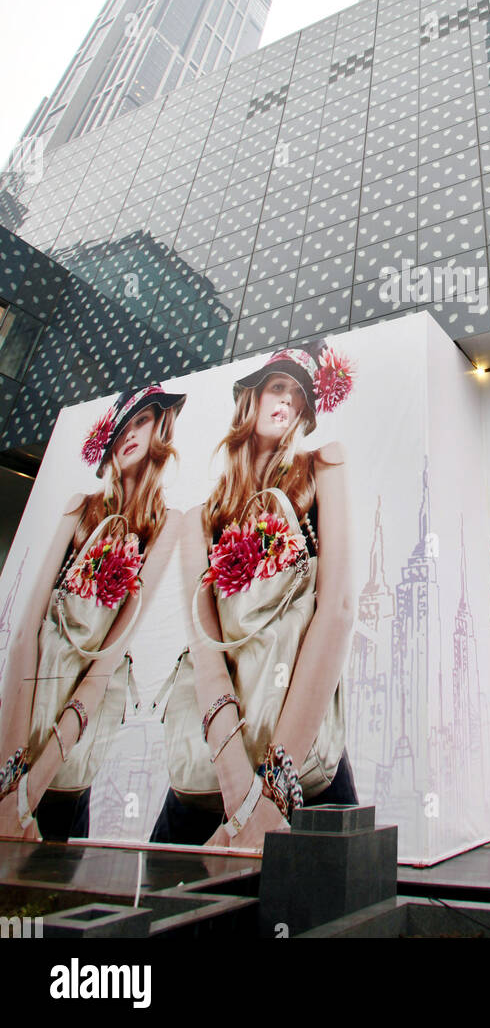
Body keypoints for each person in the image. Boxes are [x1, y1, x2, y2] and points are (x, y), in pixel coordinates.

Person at [150, 340, 357, 851]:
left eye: (300, 398)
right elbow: (205, 652)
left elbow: (336, 614)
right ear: (253, 398)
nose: (287, 402)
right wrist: (240, 788)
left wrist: (270, 793)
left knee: (335, 912)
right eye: (278, 387)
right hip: (219, 756)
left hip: (302, 750)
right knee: (163, 904)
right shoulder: (201, 519)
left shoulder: (321, 469)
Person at [0, 384, 184, 841]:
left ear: (160, 428)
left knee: (54, 872)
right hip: (25, 724)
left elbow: (104, 666)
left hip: (73, 752)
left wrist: (30, 794)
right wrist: (9, 782)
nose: (130, 434)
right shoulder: (79, 510)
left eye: (142, 421)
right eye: (123, 424)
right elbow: (26, 634)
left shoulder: (165, 525)